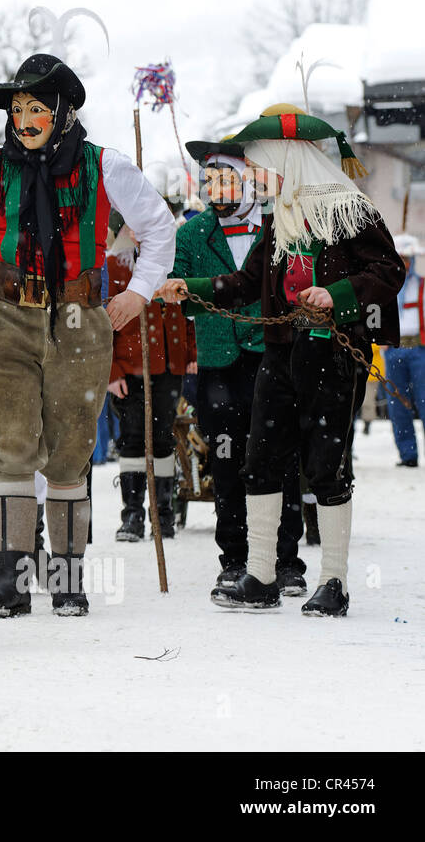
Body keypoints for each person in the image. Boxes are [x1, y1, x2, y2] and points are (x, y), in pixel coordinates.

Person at [158, 105, 405, 616]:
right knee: (261, 460)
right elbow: (248, 283)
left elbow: (389, 270)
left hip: (332, 353)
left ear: (287, 163)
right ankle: (263, 576)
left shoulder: (349, 210)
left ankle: (333, 582)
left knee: (325, 466)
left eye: (258, 167)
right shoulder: (279, 219)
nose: (252, 178)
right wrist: (192, 287)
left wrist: (337, 293)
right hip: (281, 353)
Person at [0, 54, 176, 618]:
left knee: (71, 452)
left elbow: (158, 227)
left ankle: (68, 580)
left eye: (36, 108)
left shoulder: (108, 166)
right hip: (6, 316)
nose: (24, 120)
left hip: (80, 320)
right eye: (17, 109)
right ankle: (10, 583)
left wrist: (140, 292)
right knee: (11, 447)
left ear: (61, 111)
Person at [174, 135, 306, 592]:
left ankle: (286, 560)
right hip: (217, 363)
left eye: (226, 179)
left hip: (271, 355)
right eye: (209, 181)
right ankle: (233, 556)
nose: (216, 189)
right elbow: (181, 296)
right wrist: (180, 291)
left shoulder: (280, 226)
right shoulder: (191, 234)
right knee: (226, 459)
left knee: (279, 456)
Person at [108, 214, 196, 543]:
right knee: (131, 439)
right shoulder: (115, 266)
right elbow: (103, 325)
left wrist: (191, 354)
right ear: (130, 231)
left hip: (169, 366)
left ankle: (163, 514)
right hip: (129, 369)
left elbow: (188, 314)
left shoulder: (173, 265)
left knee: (162, 438)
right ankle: (132, 515)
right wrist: (111, 372)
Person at [384, 234, 424, 468]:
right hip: (394, 349)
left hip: (420, 349)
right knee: (397, 405)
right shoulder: (386, 287)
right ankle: (408, 454)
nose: (405, 263)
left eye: (407, 258)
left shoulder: (422, 285)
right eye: (400, 258)